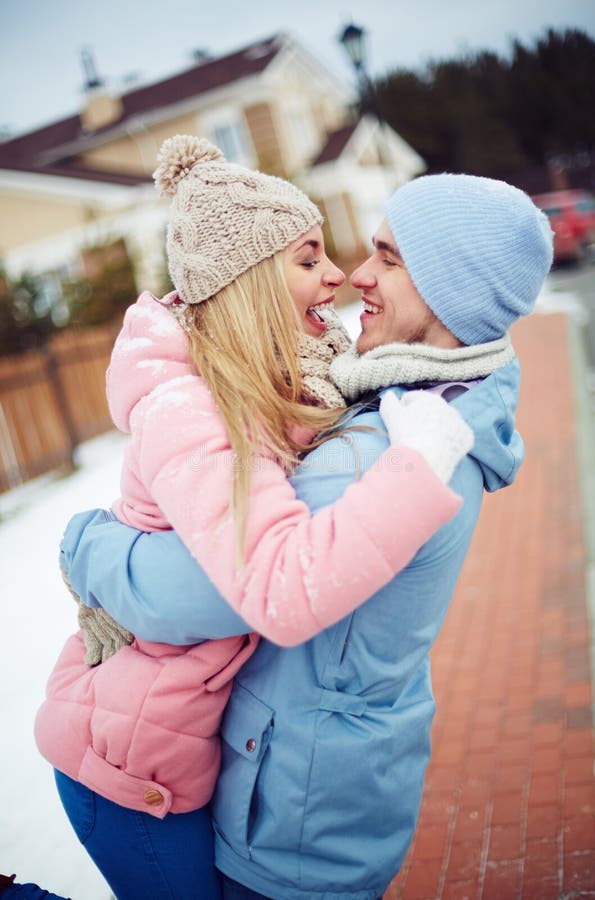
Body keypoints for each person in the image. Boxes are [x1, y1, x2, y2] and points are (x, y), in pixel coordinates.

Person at [59, 171, 553, 899]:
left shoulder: (400, 446)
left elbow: (237, 587)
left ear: (449, 288)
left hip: (286, 802)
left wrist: (87, 548)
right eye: (313, 257)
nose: (354, 275)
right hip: (168, 754)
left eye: (386, 257)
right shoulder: (424, 405)